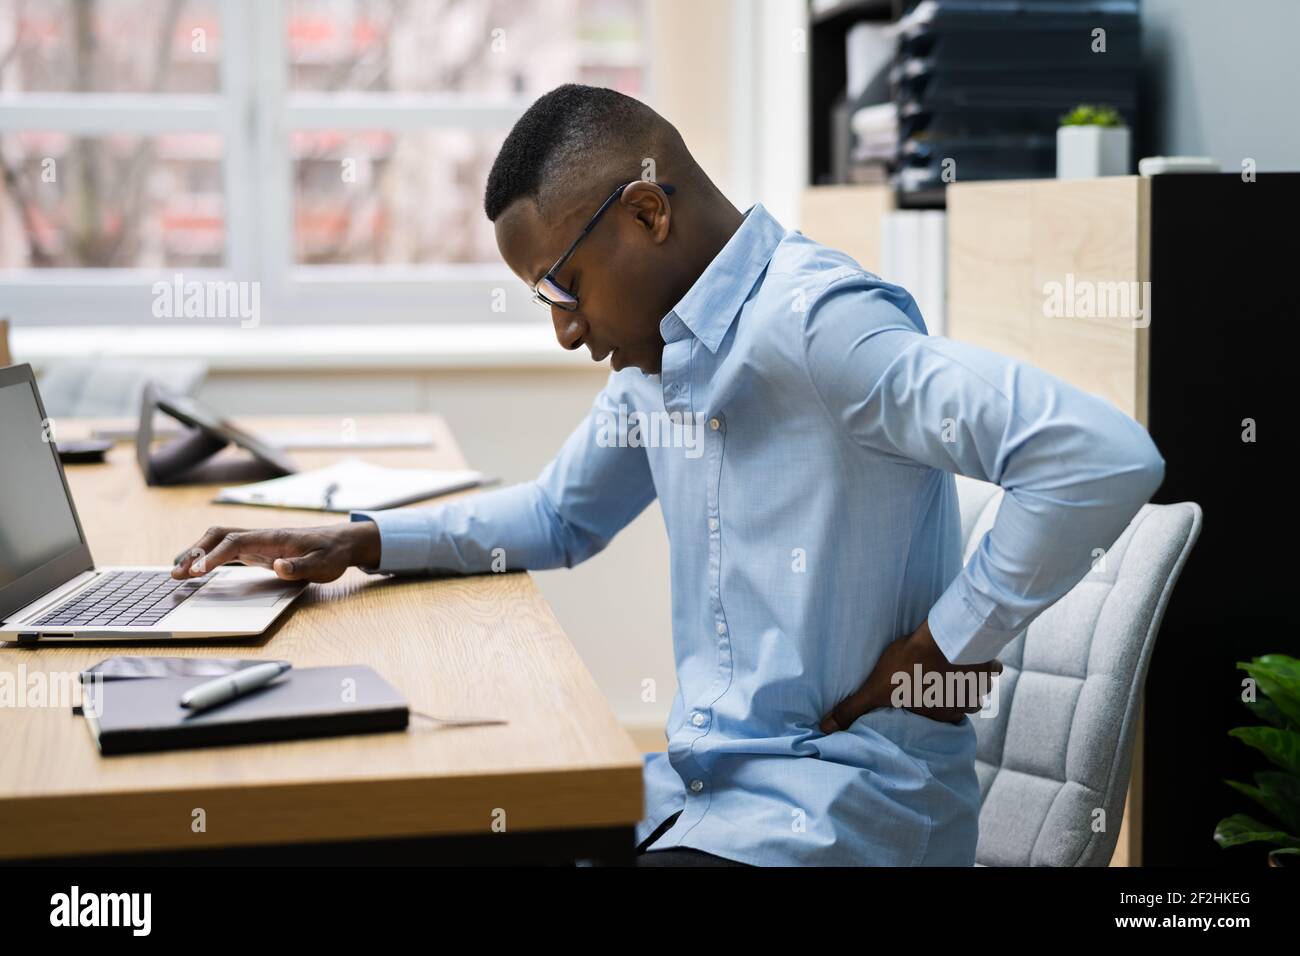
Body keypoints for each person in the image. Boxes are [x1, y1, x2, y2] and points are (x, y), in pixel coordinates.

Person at [171, 84, 1165, 866]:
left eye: (564, 286)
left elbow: (1098, 453)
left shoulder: (821, 326)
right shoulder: (664, 356)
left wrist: (945, 640)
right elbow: (560, 515)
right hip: (704, 793)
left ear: (645, 210)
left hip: (841, 814)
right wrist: (364, 538)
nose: (564, 329)